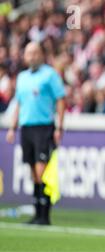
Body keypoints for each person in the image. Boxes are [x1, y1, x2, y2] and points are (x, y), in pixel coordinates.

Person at [5, 42, 66, 225]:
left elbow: (61, 100)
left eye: (35, 53)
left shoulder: (50, 75)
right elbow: (19, 104)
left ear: (41, 55)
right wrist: (12, 127)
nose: (32, 56)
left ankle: (44, 213)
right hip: (27, 127)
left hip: (43, 126)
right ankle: (38, 212)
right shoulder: (22, 77)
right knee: (32, 170)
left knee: (41, 170)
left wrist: (59, 127)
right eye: (29, 53)